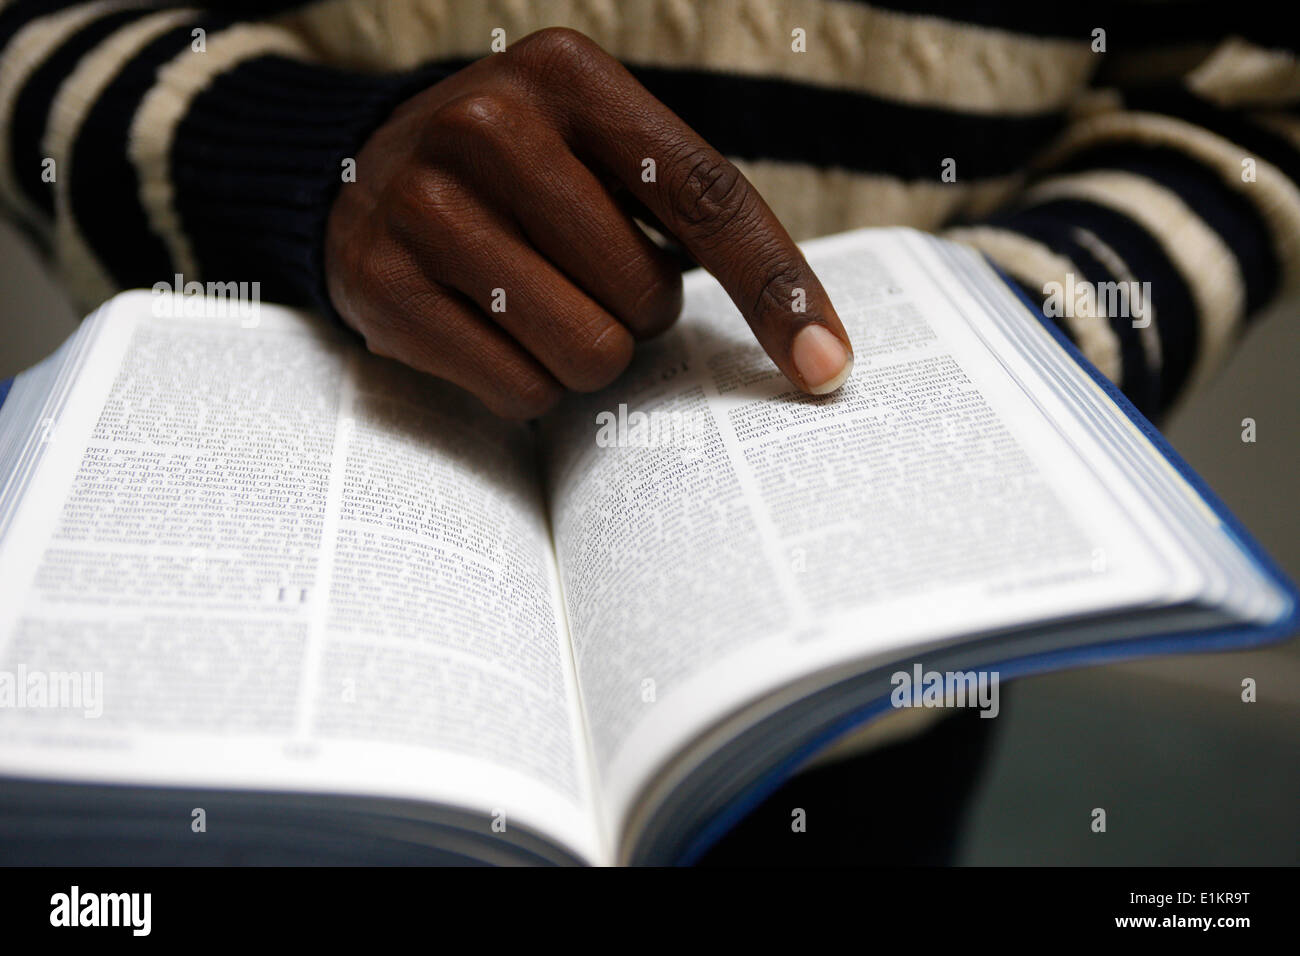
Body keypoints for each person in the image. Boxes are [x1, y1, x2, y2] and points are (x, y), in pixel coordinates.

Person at [0, 0, 1294, 863]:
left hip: (862, 694)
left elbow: (1248, 99)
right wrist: (296, 155)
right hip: (287, 669)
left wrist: (1000, 350)